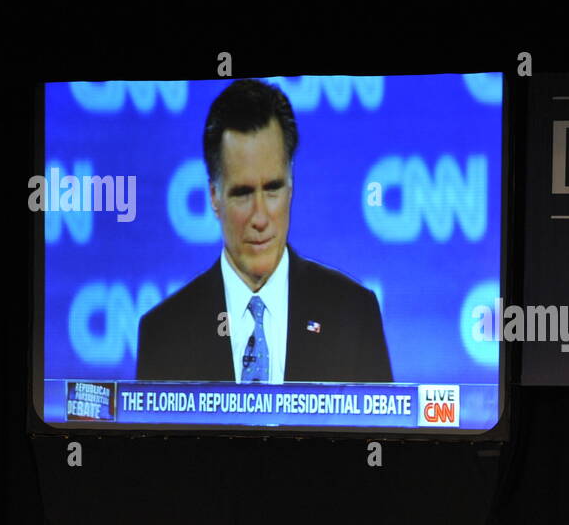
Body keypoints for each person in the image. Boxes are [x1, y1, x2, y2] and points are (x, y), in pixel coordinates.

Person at [136, 78, 392, 383]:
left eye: (272, 188)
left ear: (291, 186)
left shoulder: (353, 314)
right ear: (214, 197)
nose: (260, 217)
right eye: (242, 193)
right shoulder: (165, 331)